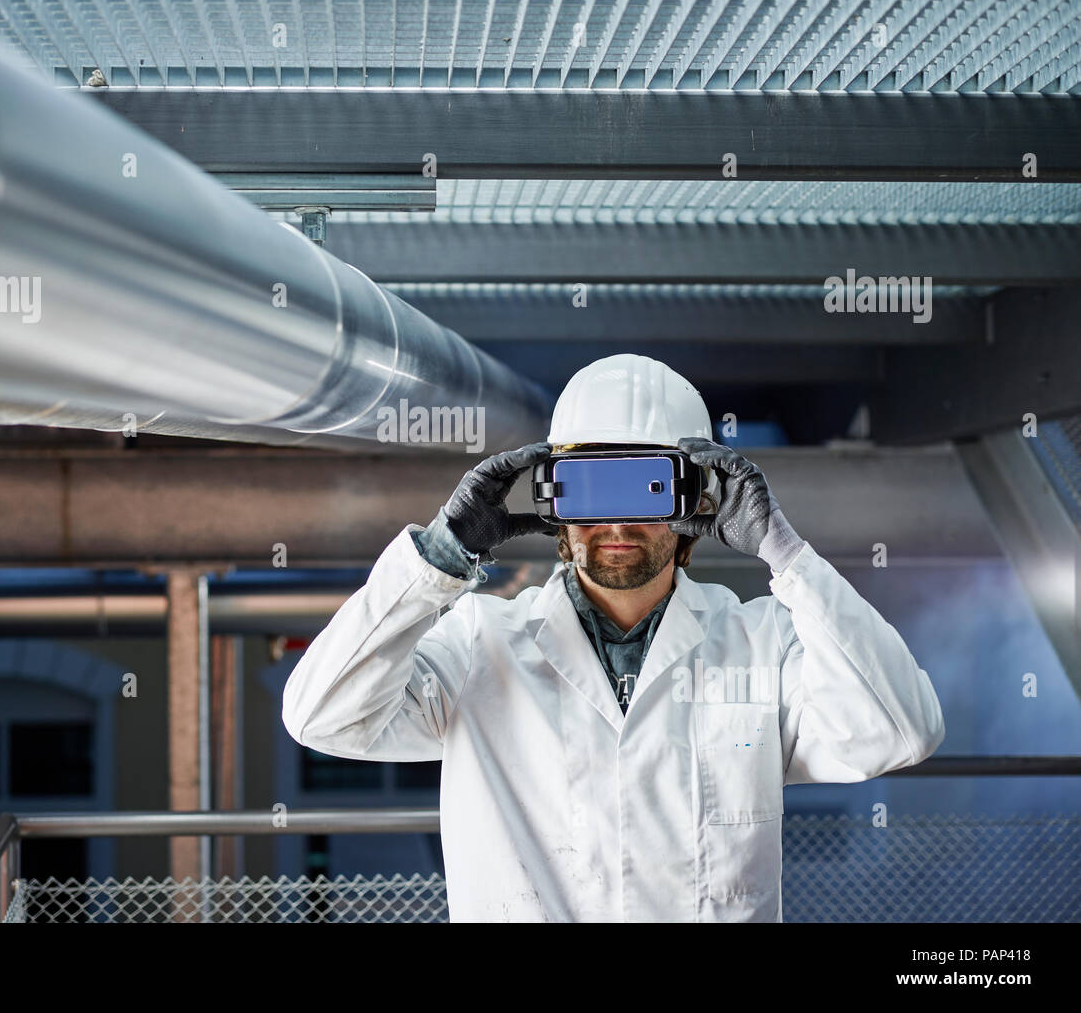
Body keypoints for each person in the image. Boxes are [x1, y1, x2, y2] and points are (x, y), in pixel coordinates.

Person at [282, 353, 944, 922]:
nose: (617, 522)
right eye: (593, 487)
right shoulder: (478, 642)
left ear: (693, 506)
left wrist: (787, 555)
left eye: (648, 485)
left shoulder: (761, 643)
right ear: (554, 508)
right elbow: (321, 716)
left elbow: (899, 730)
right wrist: (441, 552)